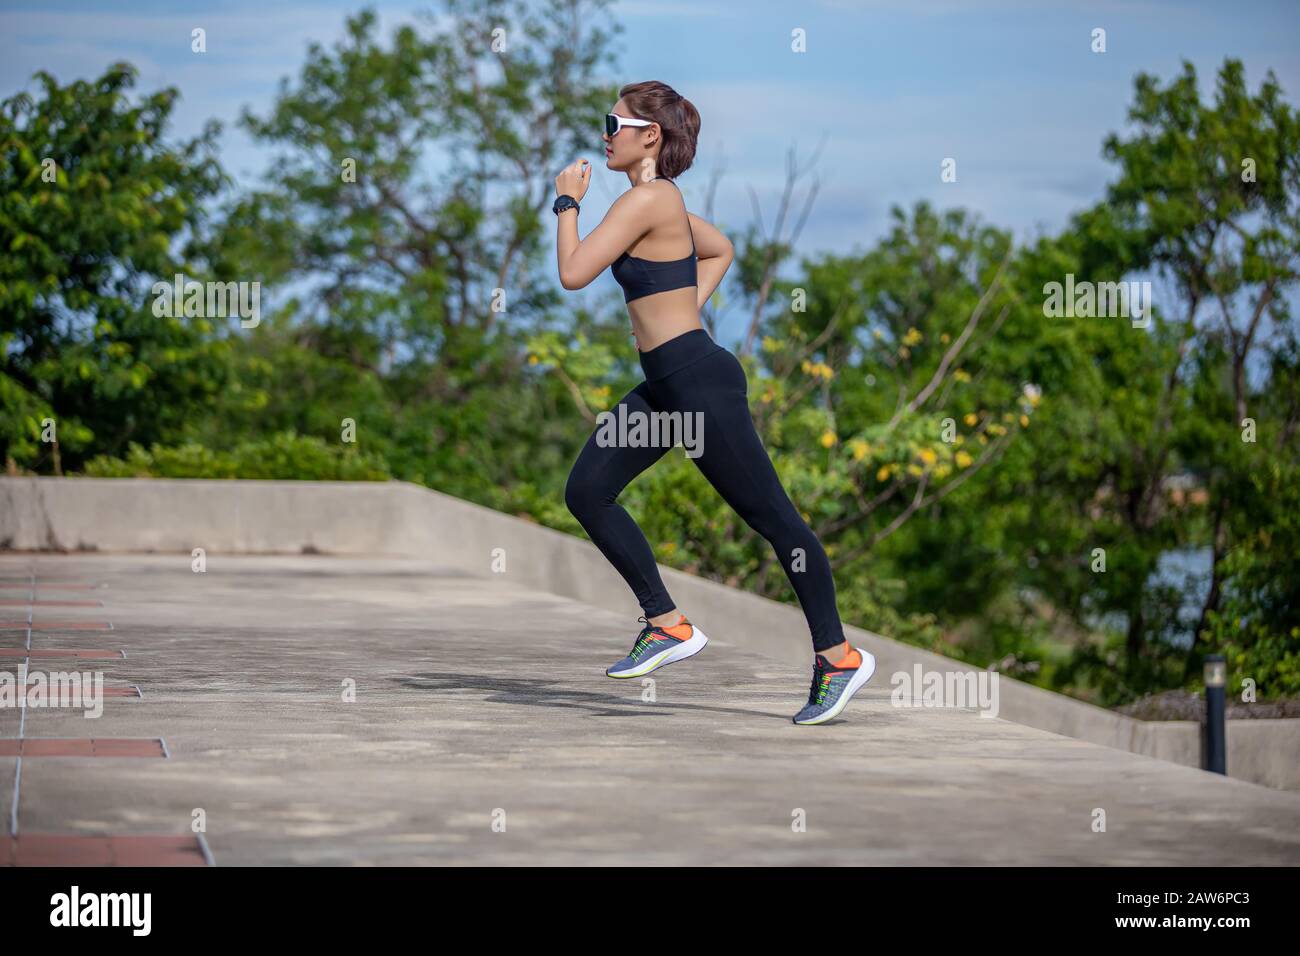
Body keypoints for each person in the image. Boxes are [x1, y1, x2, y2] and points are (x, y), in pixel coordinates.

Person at [552, 80, 875, 725]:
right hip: (667, 387)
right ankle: (667, 623)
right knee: (587, 491)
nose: (603, 135)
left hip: (698, 387)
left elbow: (573, 272)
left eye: (611, 123)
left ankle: (837, 655)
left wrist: (566, 201)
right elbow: (721, 247)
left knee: (776, 521)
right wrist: (683, 310)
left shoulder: (649, 200)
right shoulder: (658, 206)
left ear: (651, 135)